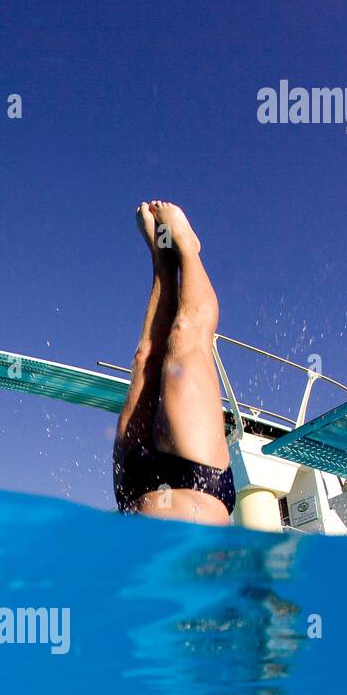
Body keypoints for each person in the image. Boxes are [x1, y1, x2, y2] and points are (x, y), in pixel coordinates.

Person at [113, 201, 235, 524]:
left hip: (133, 492)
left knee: (145, 359)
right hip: (197, 480)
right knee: (184, 338)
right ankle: (187, 249)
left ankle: (162, 260)